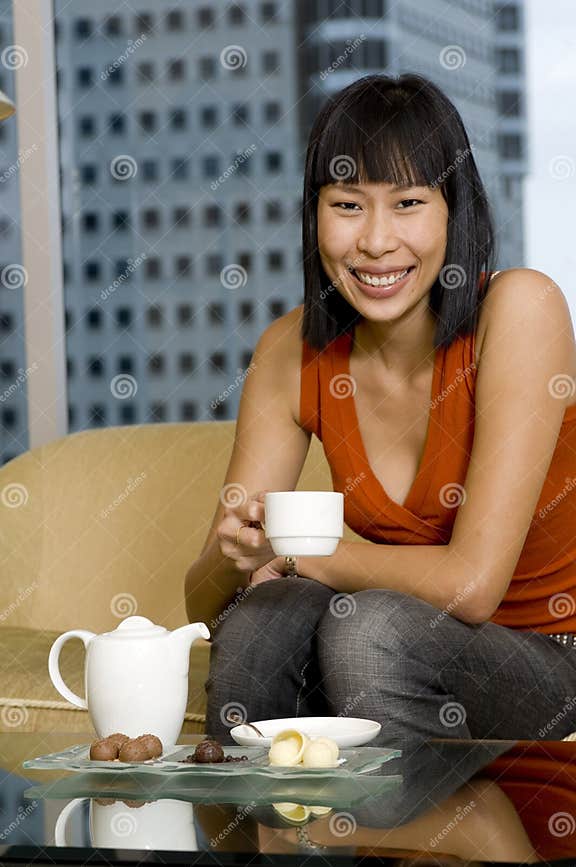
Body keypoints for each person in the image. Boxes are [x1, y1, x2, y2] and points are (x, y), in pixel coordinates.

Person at [185, 73, 576, 749]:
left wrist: (309, 553)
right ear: (315, 214)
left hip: (549, 655)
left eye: (407, 203)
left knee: (366, 629)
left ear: (455, 210)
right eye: (347, 205)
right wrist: (233, 555)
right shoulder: (289, 350)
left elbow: (473, 586)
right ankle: (251, 843)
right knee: (261, 619)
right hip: (389, 647)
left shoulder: (521, 310)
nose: (374, 241)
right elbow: (205, 605)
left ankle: (414, 846)